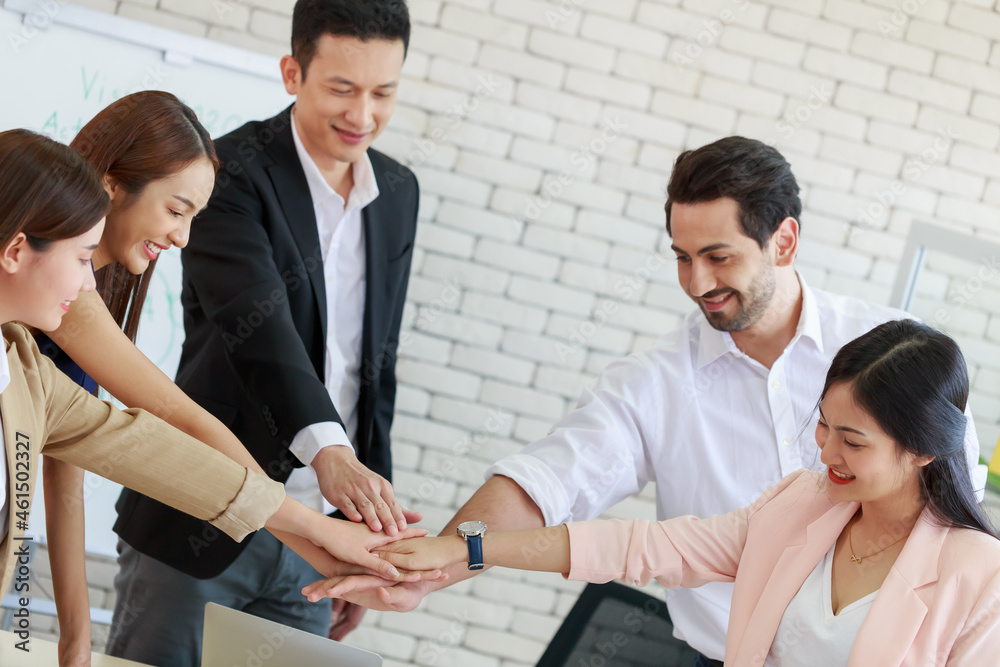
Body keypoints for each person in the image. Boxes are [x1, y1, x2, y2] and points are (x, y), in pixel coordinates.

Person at [339, 136, 985, 664]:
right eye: (682, 256)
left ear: (783, 241)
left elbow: (949, 509)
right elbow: (569, 497)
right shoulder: (663, 384)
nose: (697, 282)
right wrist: (444, 556)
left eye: (718, 256)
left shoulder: (893, 358)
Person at [32, 90, 430, 667]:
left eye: (193, 217)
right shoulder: (63, 291)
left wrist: (74, 635)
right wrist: (313, 532)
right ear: (114, 183)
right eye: (176, 211)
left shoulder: (81, 294)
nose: (183, 239)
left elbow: (76, 453)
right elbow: (167, 425)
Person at [344, 320, 1000, 665]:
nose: (825, 454)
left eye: (852, 442)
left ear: (922, 449)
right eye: (822, 427)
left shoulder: (978, 577)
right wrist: (470, 549)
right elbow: (645, 547)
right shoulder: (803, 504)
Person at [107, 1, 420, 663]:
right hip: (198, 520)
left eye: (382, 93)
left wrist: (372, 529)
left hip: (317, 544)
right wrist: (331, 454)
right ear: (292, 72)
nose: (362, 116)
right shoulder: (227, 172)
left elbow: (374, 368)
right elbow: (261, 332)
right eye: (341, 88)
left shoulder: (397, 191)